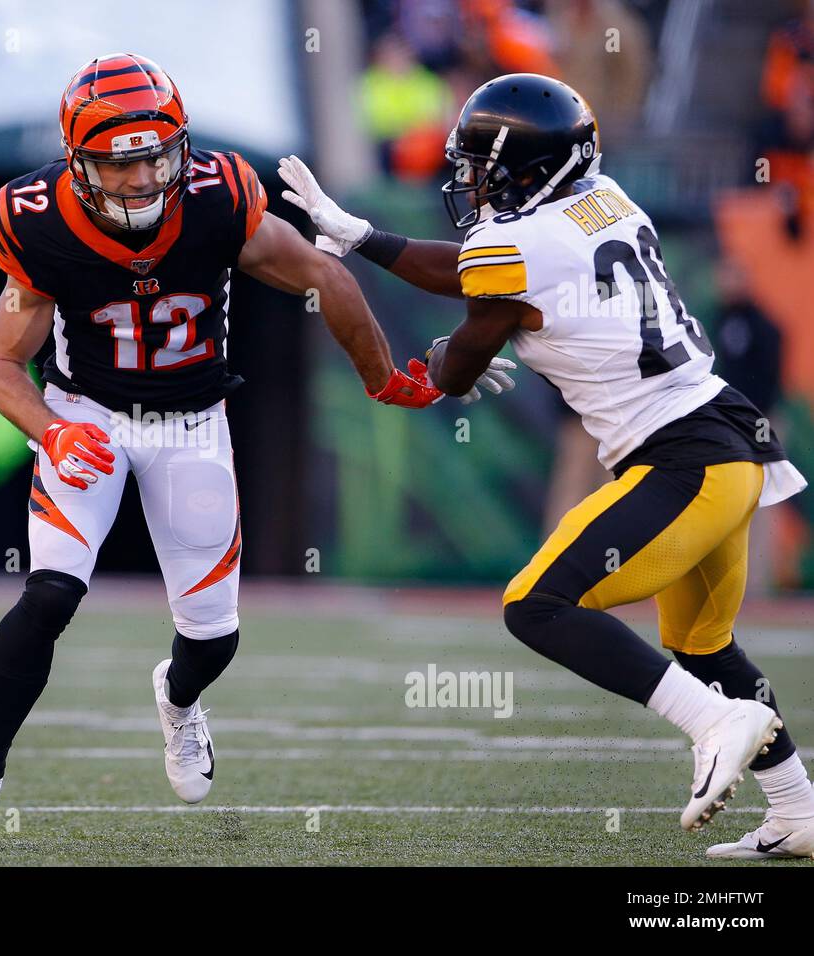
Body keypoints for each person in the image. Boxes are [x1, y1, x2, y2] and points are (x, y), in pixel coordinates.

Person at [0, 52, 513, 850]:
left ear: (180, 148)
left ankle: (177, 698)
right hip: (86, 414)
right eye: (117, 163)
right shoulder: (36, 219)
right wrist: (51, 429)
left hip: (192, 422)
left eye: (153, 158)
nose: (139, 180)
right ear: (78, 162)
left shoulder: (217, 199)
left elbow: (323, 277)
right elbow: (0, 365)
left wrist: (385, 379)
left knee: (213, 637)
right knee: (50, 595)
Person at [280, 73, 813, 860]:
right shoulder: (606, 200)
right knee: (703, 647)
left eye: (483, 166)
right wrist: (362, 237)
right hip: (725, 440)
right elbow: (474, 269)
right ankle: (798, 812)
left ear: (528, 168)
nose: (471, 181)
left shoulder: (514, 243)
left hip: (681, 460)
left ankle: (713, 721)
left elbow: (460, 359)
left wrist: (441, 356)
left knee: (538, 604)